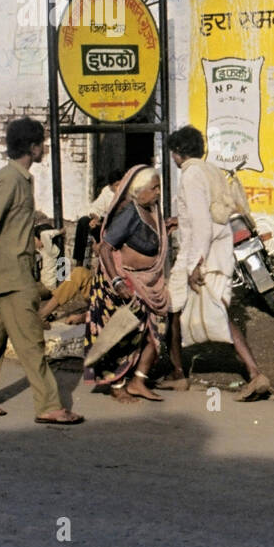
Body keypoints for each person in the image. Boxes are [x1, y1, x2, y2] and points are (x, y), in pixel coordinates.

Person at [0, 118, 82, 424]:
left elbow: (9, 228)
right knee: (32, 344)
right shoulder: (9, 179)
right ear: (32, 147)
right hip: (14, 278)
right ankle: (49, 405)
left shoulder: (20, 179)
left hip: (12, 275)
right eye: (41, 143)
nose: (43, 148)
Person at [163, 125, 269, 401]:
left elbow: (201, 224)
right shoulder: (211, 170)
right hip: (220, 250)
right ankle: (255, 373)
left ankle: (177, 375)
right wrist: (179, 219)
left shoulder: (190, 174)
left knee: (172, 310)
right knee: (220, 311)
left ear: (177, 153)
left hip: (199, 252)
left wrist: (195, 265)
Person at [82, 166, 170, 403]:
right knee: (122, 336)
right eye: (154, 188)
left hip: (148, 284)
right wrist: (118, 281)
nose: (158, 192)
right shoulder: (130, 214)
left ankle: (138, 381)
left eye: (159, 187)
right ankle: (117, 384)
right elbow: (106, 248)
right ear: (138, 191)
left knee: (154, 334)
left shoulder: (152, 212)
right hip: (124, 284)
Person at [72, 167, 125, 268]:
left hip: (119, 229)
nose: (119, 188)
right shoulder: (107, 192)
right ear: (110, 186)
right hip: (105, 226)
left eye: (121, 184)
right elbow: (95, 207)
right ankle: (79, 263)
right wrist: (95, 218)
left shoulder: (127, 194)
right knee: (84, 221)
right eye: (116, 185)